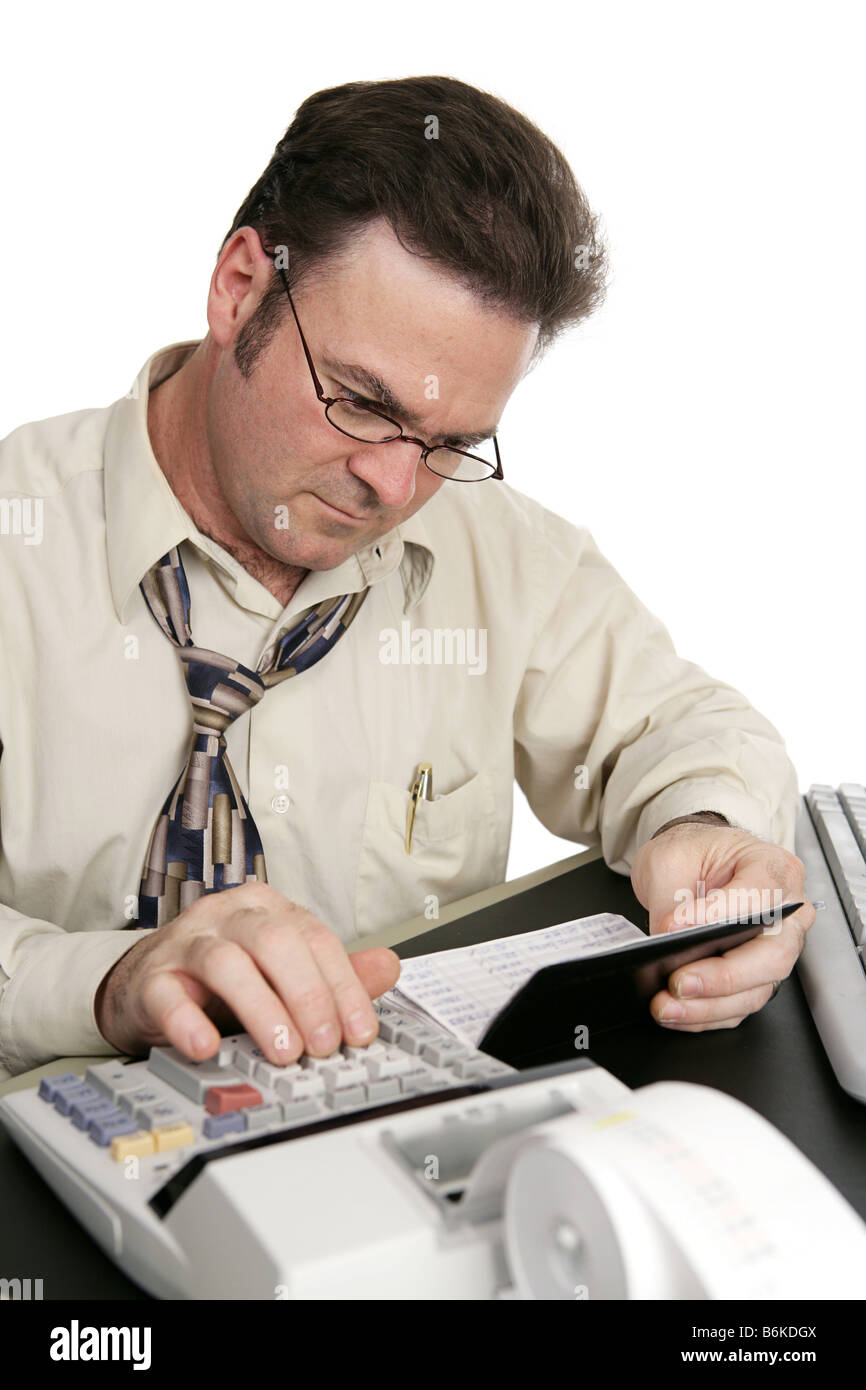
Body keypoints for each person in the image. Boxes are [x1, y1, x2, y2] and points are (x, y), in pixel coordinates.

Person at [0, 75, 813, 1083]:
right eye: (358, 402)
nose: (391, 482)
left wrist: (706, 833)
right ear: (240, 288)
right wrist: (109, 982)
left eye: (450, 440)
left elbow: (689, 728)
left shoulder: (500, 555)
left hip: (387, 1165)